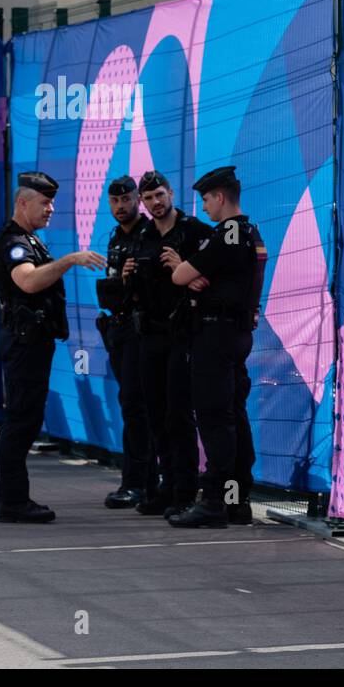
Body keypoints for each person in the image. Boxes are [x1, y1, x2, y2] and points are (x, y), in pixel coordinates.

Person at [0, 171, 105, 522]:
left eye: (52, 201)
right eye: (44, 201)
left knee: (26, 418)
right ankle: (12, 502)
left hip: (32, 342)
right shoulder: (14, 243)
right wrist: (70, 260)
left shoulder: (29, 240)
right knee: (21, 420)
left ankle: (11, 498)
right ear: (22, 202)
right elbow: (27, 281)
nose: (51, 208)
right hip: (24, 342)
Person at [166, 166, 266, 528]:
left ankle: (212, 502)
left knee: (214, 419)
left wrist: (186, 271)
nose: (204, 206)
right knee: (233, 418)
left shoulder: (227, 234)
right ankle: (236, 501)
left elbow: (179, 276)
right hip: (236, 335)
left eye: (207, 199)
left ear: (221, 197)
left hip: (215, 335)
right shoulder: (250, 232)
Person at [126, 170, 213, 518]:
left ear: (171, 193)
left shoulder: (194, 232)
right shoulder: (143, 234)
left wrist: (183, 268)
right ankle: (166, 487)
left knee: (179, 414)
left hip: (182, 334)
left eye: (159, 195)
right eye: (148, 198)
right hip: (148, 333)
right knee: (156, 415)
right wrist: (127, 275)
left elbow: (213, 279)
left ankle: (185, 490)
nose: (155, 203)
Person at [96, 175, 153, 509]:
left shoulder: (151, 233)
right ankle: (139, 482)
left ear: (137, 200)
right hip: (120, 331)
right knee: (131, 406)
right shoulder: (115, 239)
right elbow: (112, 290)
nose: (121, 206)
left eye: (126, 200)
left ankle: (140, 483)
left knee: (142, 408)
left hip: (145, 332)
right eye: (115, 201)